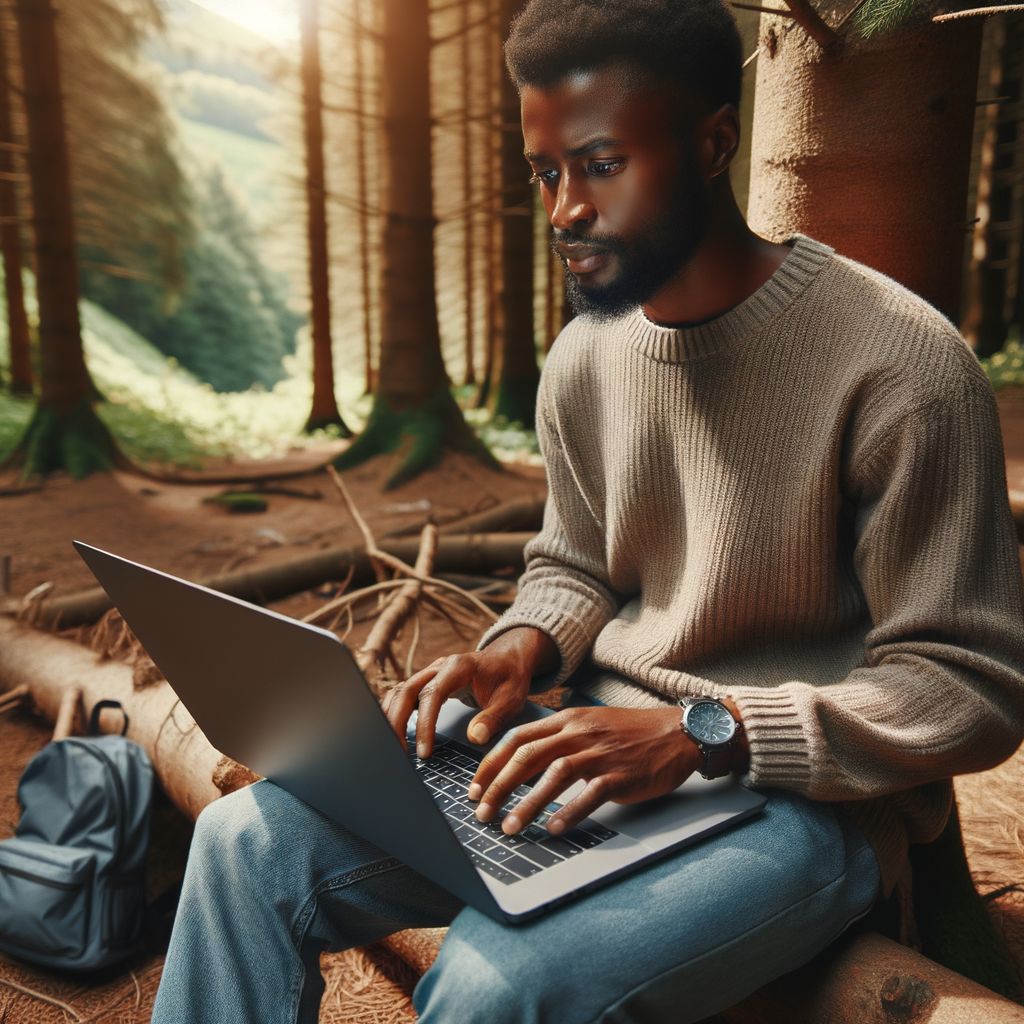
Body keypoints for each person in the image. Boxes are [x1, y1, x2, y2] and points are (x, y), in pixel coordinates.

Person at [150, 1, 1024, 1021]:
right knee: (244, 841)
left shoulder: (900, 365)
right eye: (545, 172)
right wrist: (518, 644)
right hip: (578, 747)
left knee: (498, 981)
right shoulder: (584, 358)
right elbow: (575, 564)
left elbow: (966, 686)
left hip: (800, 810)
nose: (564, 208)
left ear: (712, 142)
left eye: (601, 163)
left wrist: (704, 731)